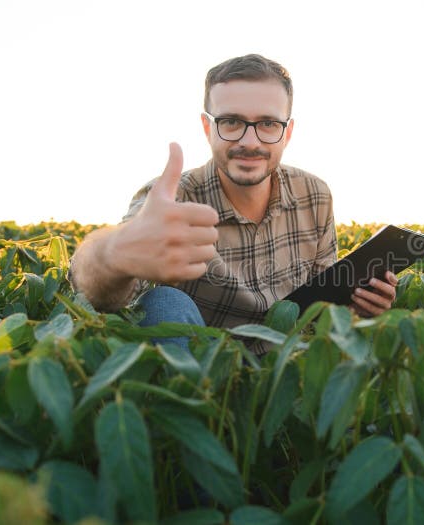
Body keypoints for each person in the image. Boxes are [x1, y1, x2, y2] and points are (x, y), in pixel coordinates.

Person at [69, 54, 397, 354]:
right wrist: (113, 253)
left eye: (268, 123)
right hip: (202, 365)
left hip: (284, 363)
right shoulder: (172, 198)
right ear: (207, 128)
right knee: (163, 303)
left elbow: (320, 306)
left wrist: (358, 306)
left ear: (288, 132)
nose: (249, 142)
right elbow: (91, 291)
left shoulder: (315, 195)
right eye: (231, 122)